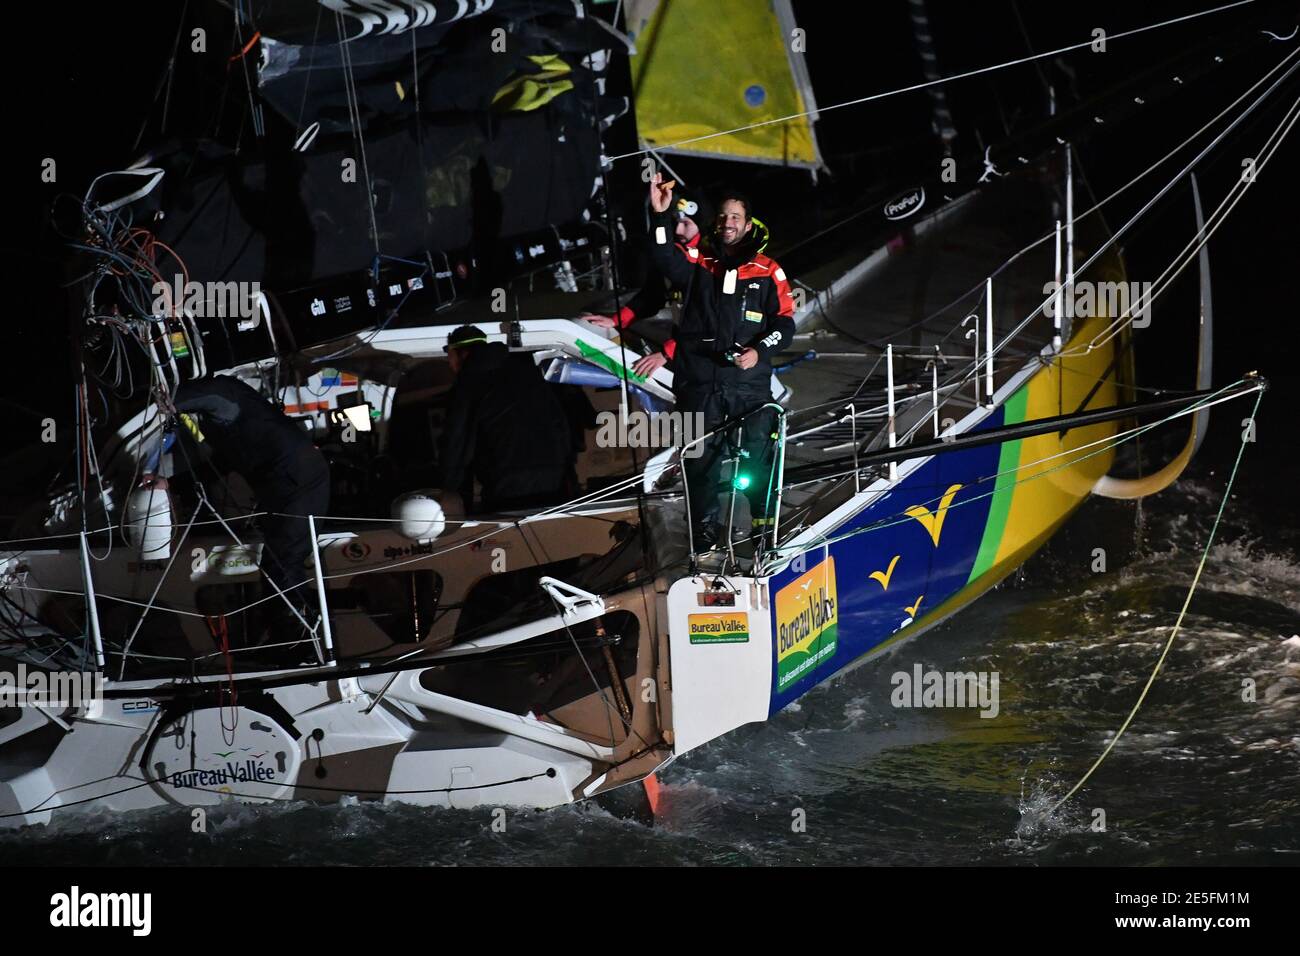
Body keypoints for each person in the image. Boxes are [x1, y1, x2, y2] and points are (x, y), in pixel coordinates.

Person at [645, 173, 795, 552]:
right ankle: (706, 533)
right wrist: (660, 215)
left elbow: (785, 323)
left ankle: (764, 530)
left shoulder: (767, 270)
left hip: (749, 387)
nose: (728, 223)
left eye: (735, 218)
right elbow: (664, 257)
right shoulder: (699, 262)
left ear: (747, 224)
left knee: (760, 459)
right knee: (700, 463)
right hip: (699, 385)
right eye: (723, 217)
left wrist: (759, 351)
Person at [171, 375, 331, 602]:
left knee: (284, 560)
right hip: (284, 484)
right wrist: (172, 484)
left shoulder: (228, 392)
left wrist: (166, 401)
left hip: (298, 482)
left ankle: (300, 625)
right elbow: (221, 463)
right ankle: (289, 620)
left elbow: (208, 394)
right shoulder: (219, 419)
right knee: (278, 560)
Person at [439, 325, 576, 512]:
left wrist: (450, 491)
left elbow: (457, 441)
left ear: (459, 353)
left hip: (507, 480)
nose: (449, 363)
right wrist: (567, 466)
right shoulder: (527, 370)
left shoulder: (467, 385)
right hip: (553, 474)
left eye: (449, 356)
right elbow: (559, 420)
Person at [582, 187, 714, 378]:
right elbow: (653, 295)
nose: (678, 229)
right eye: (676, 221)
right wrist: (615, 320)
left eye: (686, 223)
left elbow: (713, 323)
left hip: (709, 357)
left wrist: (666, 353)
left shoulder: (711, 263)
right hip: (683, 347)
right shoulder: (677, 253)